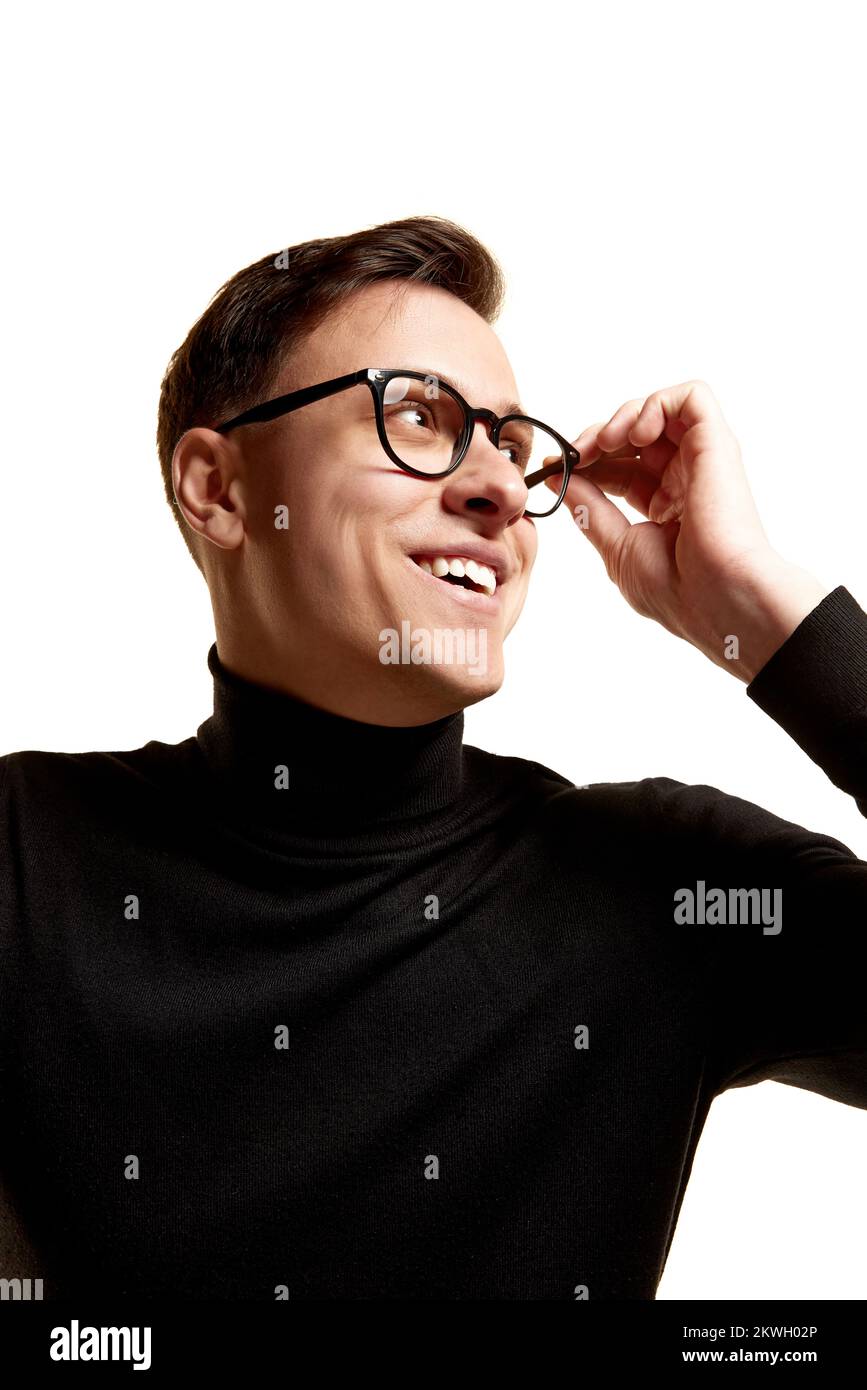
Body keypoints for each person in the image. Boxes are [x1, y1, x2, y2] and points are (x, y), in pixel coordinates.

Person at [1, 215, 864, 1301]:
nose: (500, 487)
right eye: (419, 415)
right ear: (220, 490)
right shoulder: (22, 855)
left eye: (512, 445)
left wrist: (771, 618)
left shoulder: (660, 884)